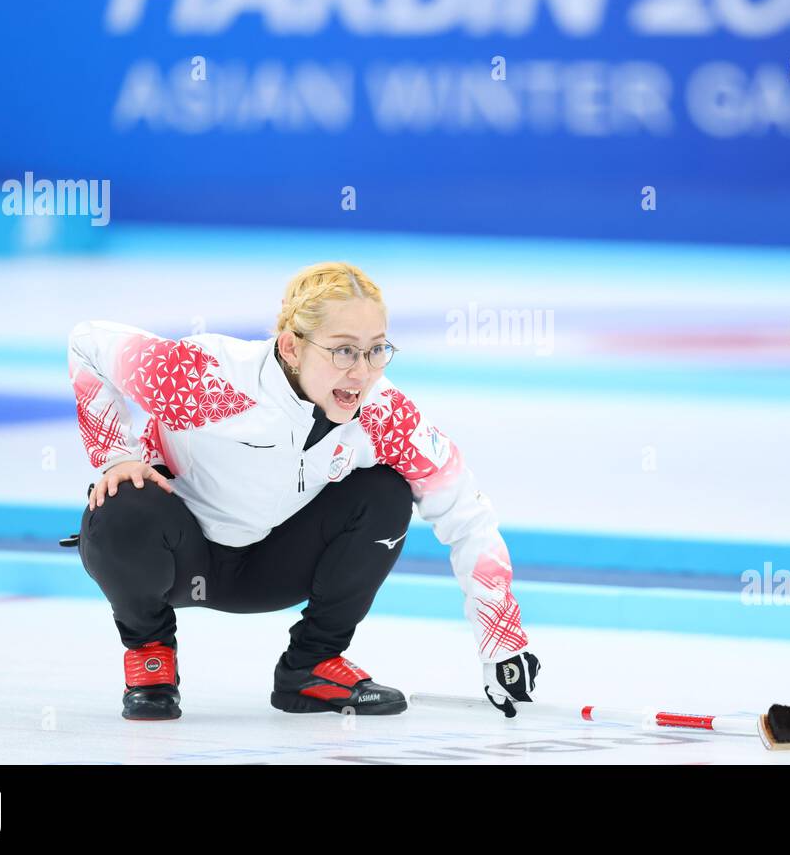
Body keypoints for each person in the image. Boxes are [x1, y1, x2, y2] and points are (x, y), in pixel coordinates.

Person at [67, 261, 540, 720]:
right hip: (174, 558)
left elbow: (466, 513)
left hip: (269, 568)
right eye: (343, 350)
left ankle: (311, 666)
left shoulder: (384, 415)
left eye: (376, 349)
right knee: (121, 501)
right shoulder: (209, 379)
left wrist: (503, 644)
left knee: (386, 492)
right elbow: (87, 343)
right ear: (292, 347)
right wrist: (115, 453)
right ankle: (150, 654)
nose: (362, 372)